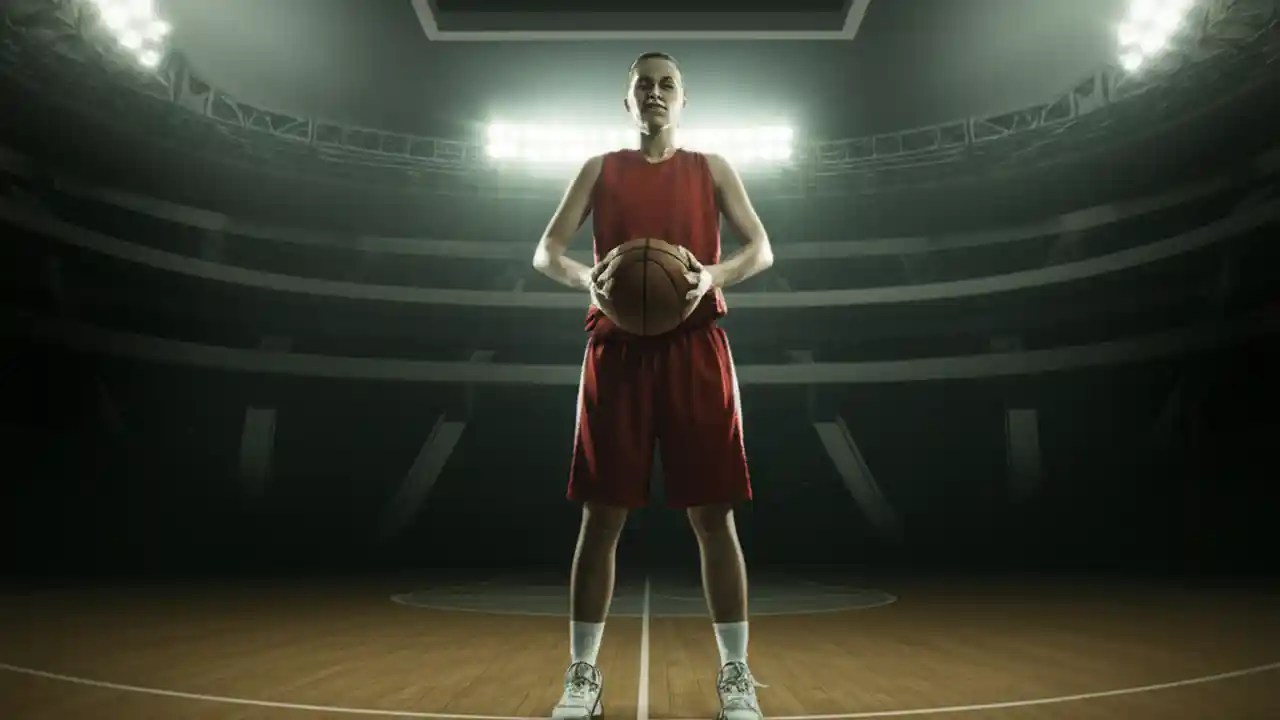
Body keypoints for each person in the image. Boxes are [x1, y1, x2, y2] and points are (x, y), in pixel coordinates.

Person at [531, 52, 775, 720]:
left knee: (713, 514)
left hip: (698, 344)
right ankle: (582, 675)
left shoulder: (711, 168)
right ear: (628, 99)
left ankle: (736, 675)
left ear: (684, 99)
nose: (655, 93)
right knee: (601, 515)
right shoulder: (599, 168)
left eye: (667, 84)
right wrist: (592, 278)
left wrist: (710, 277)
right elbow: (546, 251)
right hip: (616, 348)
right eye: (644, 84)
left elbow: (761, 247)